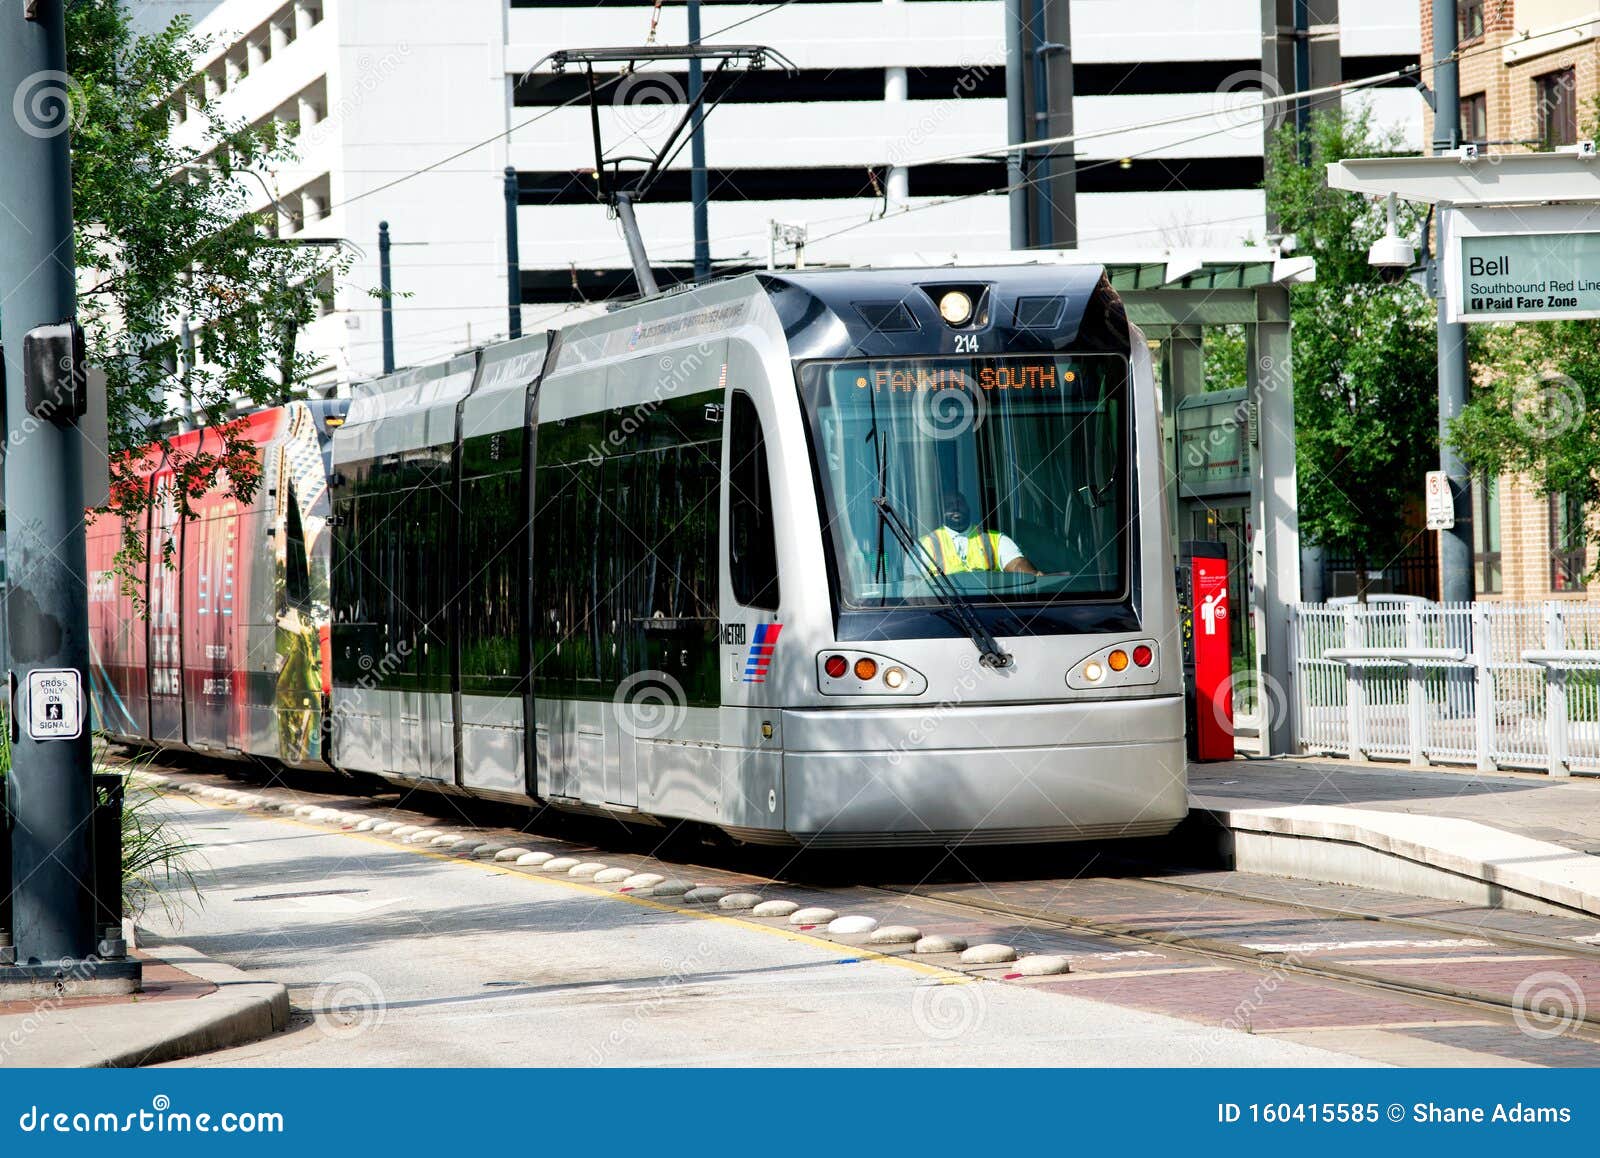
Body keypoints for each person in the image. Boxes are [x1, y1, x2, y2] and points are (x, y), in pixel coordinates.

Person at [915, 491, 1039, 576]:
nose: (955, 508)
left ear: (968, 507)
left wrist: (1032, 575)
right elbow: (911, 584)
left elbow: (1016, 563)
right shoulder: (924, 544)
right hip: (944, 610)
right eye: (948, 505)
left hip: (988, 608)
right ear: (940, 512)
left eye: (959, 503)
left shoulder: (996, 539)